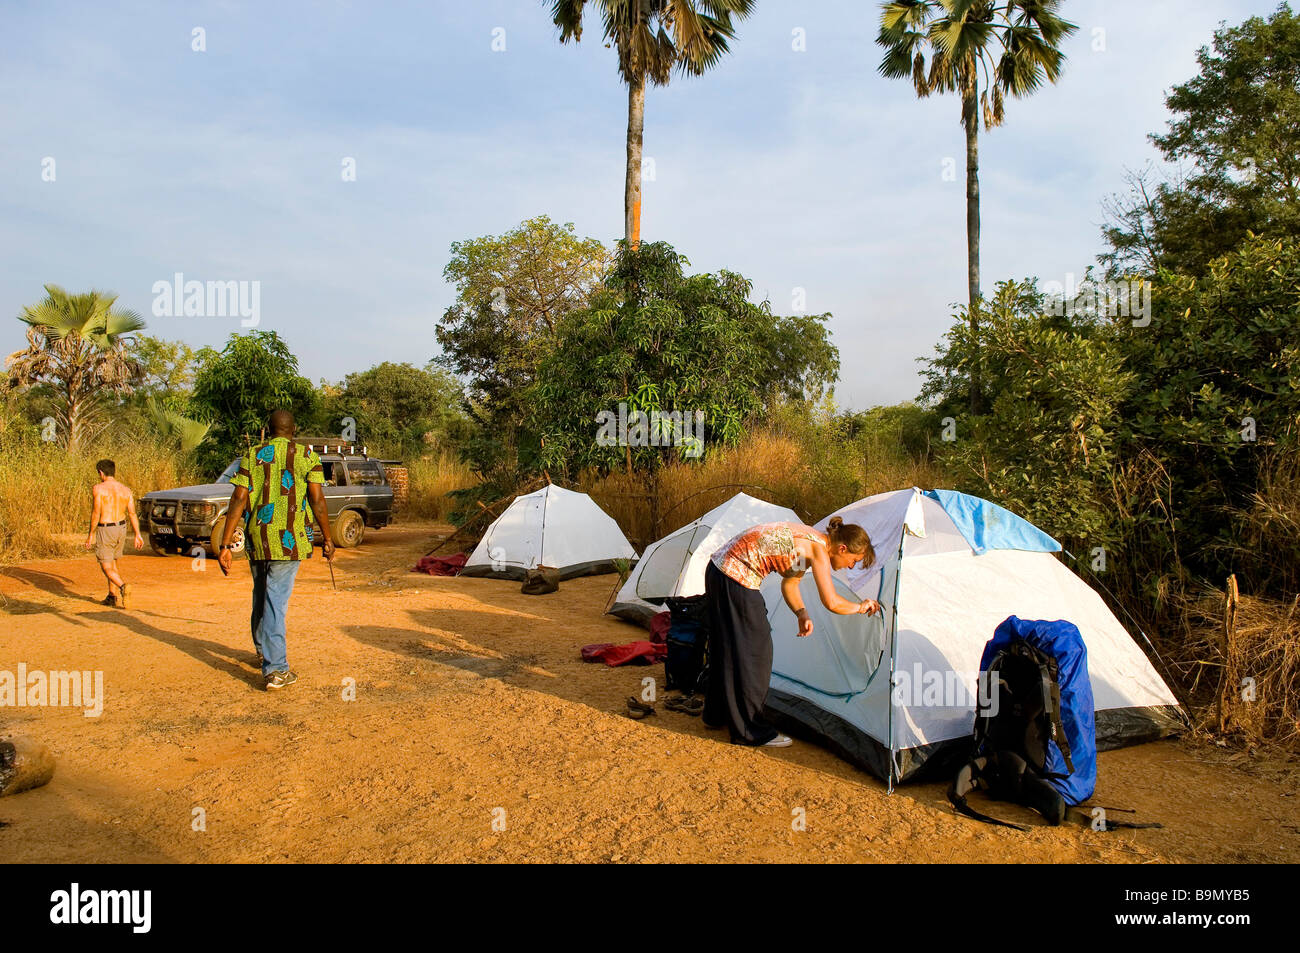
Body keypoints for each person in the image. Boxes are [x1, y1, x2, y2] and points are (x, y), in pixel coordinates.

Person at [704, 516, 878, 748]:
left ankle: (716, 714)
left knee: (725, 645)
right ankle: (750, 730)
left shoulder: (808, 541)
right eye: (853, 560)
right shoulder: (818, 550)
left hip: (718, 571)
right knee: (756, 655)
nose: (851, 566)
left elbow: (790, 583)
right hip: (736, 576)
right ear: (842, 548)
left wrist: (801, 613)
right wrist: (861, 606)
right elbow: (832, 602)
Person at [216, 409, 335, 691]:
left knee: (261, 594)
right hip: (290, 540)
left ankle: (262, 650)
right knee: (275, 600)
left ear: (268, 430)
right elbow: (317, 500)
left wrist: (225, 542)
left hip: (258, 536)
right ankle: (276, 669)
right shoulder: (307, 456)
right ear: (294, 430)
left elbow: (238, 497)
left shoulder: (252, 454)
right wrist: (327, 538)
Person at [84, 459, 143, 608]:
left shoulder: (98, 489)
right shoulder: (126, 490)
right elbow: (132, 514)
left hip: (106, 528)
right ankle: (112, 596)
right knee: (113, 563)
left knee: (106, 566)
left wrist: (91, 534)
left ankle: (123, 587)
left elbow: (96, 512)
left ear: (101, 473)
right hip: (121, 528)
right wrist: (138, 534)